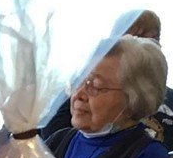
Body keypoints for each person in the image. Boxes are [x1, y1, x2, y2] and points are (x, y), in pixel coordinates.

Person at [41, 11, 173, 148]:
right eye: (131, 37)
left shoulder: (148, 153)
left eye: (152, 39)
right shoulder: (79, 90)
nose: (140, 45)